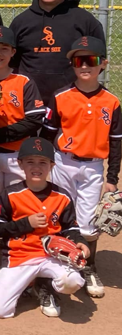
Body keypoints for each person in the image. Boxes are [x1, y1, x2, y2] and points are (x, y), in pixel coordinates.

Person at [41, 36, 121, 299]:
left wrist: (112, 178)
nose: (84, 65)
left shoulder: (112, 101)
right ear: (72, 65)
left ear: (103, 64)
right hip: (63, 162)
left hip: (93, 166)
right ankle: (56, 266)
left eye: (91, 60)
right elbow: (47, 134)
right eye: (78, 60)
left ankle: (89, 266)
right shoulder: (61, 96)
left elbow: (116, 142)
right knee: (60, 215)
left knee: (88, 225)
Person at [0, 137, 87, 319]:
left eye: (43, 162)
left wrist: (79, 242)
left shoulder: (62, 196)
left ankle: (45, 286)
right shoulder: (9, 194)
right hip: (19, 257)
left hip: (51, 257)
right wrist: (26, 223)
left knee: (73, 281)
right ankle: (29, 284)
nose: (36, 167)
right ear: (20, 164)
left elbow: (70, 228)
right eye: (30, 162)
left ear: (52, 165)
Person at [0, 26, 45, 280]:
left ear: (12, 52)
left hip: (19, 157)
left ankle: (23, 254)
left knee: (23, 206)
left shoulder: (23, 82)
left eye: (4, 48)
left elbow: (34, 120)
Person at [9, 0, 105, 104]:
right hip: (29, 102)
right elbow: (11, 61)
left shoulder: (85, 21)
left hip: (72, 101)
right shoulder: (21, 22)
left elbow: (98, 62)